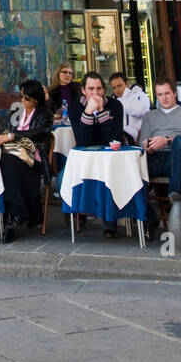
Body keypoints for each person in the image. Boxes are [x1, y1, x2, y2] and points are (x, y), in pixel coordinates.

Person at [0, 79, 53, 240]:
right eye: (21, 97)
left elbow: (39, 133)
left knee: (6, 164)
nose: (23, 101)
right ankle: (13, 216)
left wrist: (12, 136)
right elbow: (6, 131)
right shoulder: (17, 114)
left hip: (33, 160)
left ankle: (11, 217)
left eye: (27, 98)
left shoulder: (44, 114)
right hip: (13, 158)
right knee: (2, 164)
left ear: (36, 99)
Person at [139, 78, 181, 238]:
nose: (164, 98)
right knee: (133, 168)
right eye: (160, 94)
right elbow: (142, 140)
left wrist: (166, 140)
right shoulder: (149, 116)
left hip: (179, 157)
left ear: (174, 93)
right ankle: (150, 218)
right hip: (155, 157)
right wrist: (148, 145)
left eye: (167, 93)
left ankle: (175, 193)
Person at [70, 72, 127, 238]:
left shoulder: (115, 106)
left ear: (103, 89)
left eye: (99, 88)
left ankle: (110, 223)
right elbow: (82, 141)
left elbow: (114, 138)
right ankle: (79, 217)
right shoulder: (75, 108)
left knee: (109, 176)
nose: (95, 93)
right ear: (83, 90)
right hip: (86, 159)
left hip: (109, 157)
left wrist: (101, 112)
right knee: (61, 180)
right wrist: (88, 113)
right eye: (91, 89)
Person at [109, 71, 151, 142]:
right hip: (120, 138)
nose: (117, 90)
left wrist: (120, 101)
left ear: (127, 84)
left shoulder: (138, 95)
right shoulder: (114, 100)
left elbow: (140, 110)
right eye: (114, 87)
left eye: (119, 86)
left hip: (137, 138)